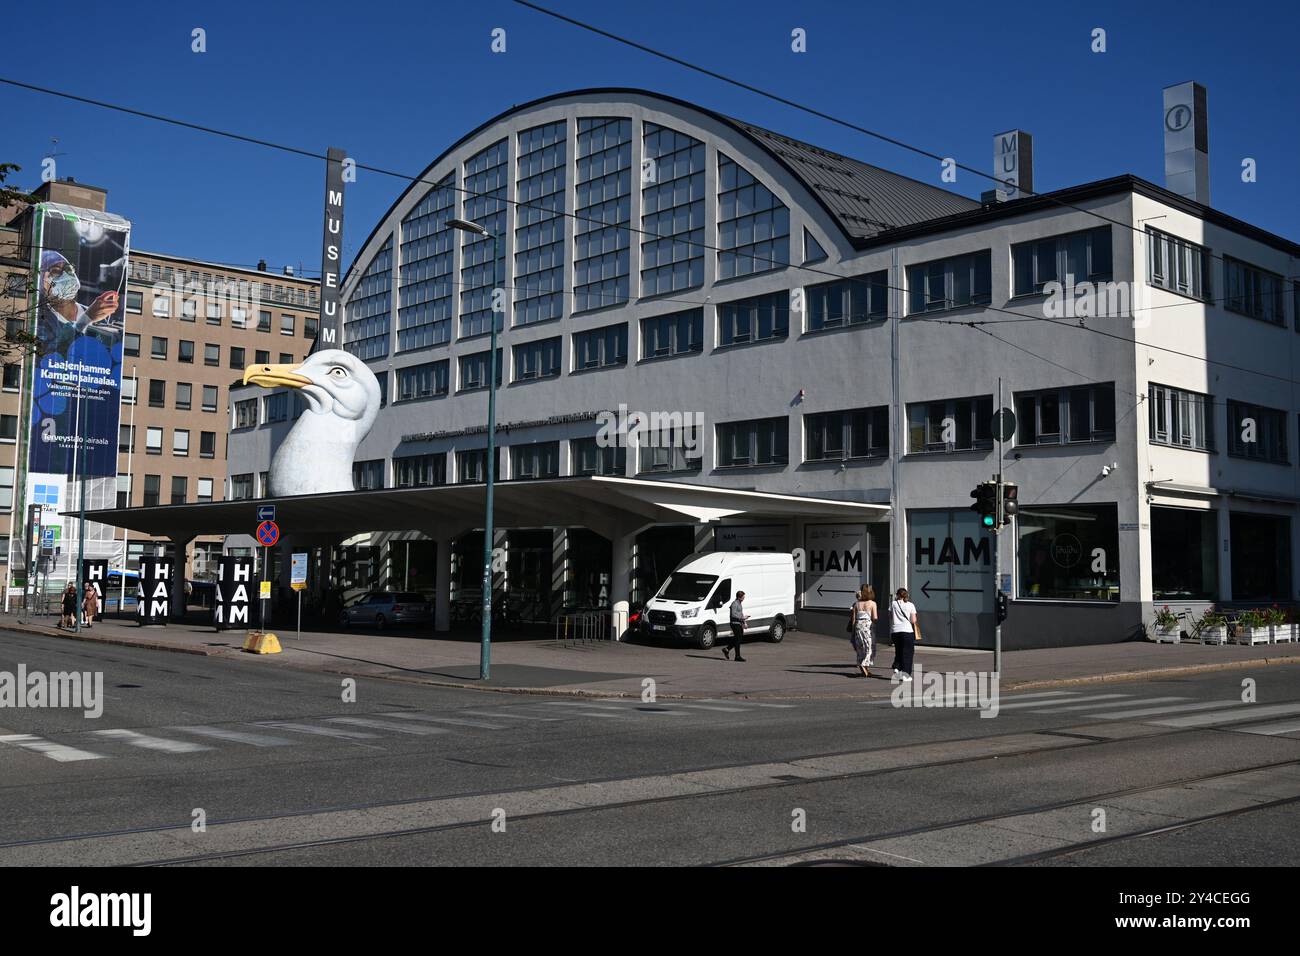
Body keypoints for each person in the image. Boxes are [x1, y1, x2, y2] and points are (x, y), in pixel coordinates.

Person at [889, 587, 920, 682]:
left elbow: (890, 616)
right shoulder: (911, 605)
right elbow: (913, 620)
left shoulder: (893, 604)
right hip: (907, 631)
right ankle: (906, 675)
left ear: (897, 595)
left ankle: (897, 667)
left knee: (898, 650)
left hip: (895, 631)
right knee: (908, 653)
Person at [847, 585, 878, 677]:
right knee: (870, 648)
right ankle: (864, 665)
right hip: (868, 627)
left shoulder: (857, 604)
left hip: (858, 626)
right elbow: (875, 617)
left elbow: (853, 619)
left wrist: (853, 631)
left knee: (860, 648)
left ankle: (864, 669)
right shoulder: (872, 603)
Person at [724, 589, 748, 662]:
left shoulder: (739, 603)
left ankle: (727, 649)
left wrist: (744, 622)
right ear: (739, 597)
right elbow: (733, 614)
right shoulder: (734, 603)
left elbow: (741, 613)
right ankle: (737, 656)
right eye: (743, 597)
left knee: (739, 639)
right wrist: (741, 618)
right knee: (738, 639)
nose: (744, 598)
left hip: (739, 623)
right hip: (734, 623)